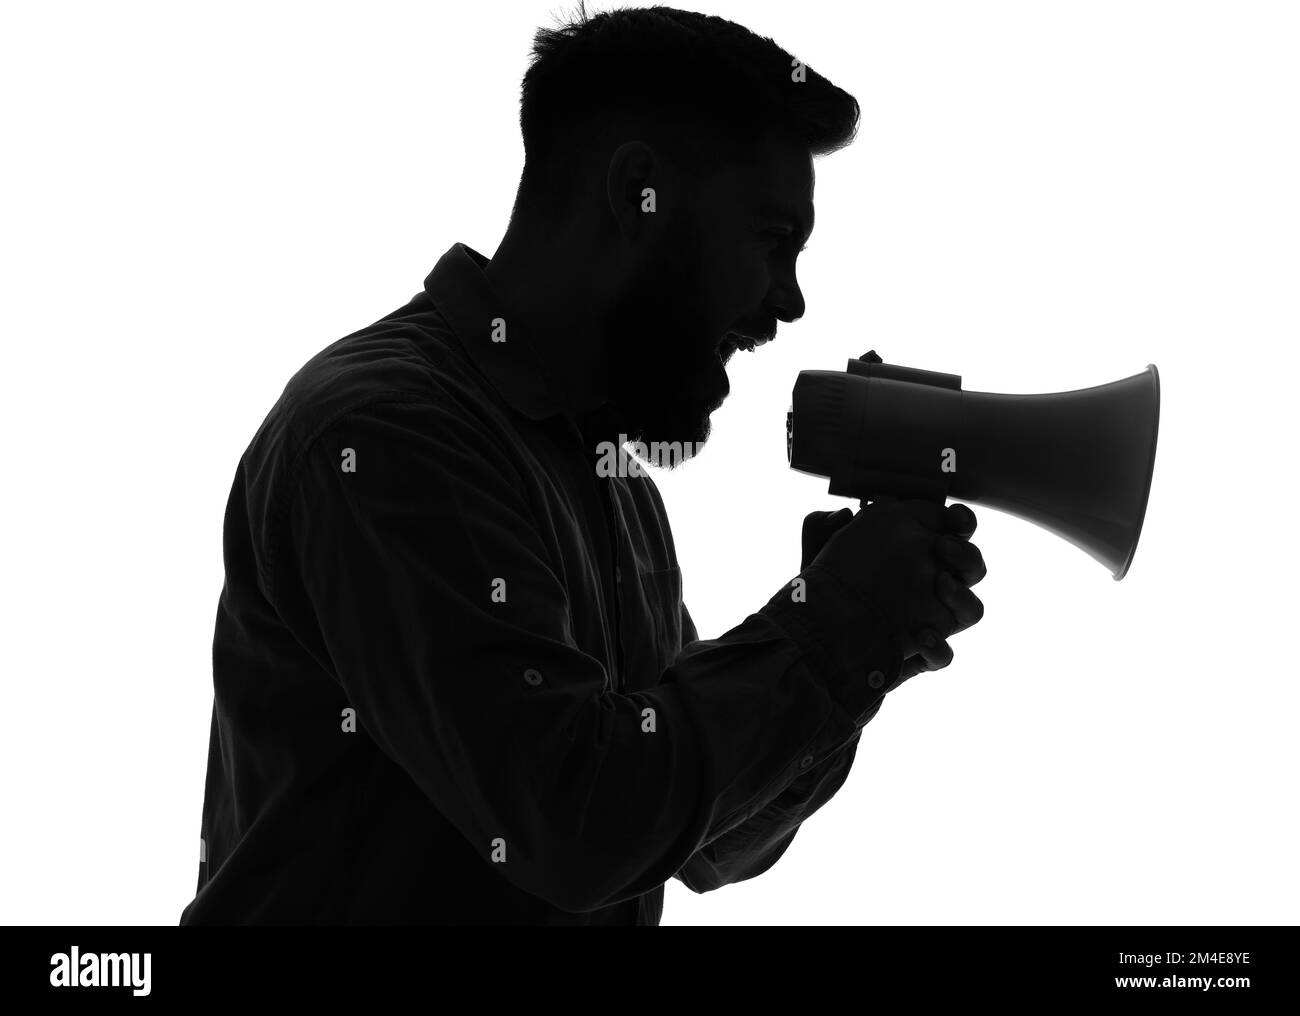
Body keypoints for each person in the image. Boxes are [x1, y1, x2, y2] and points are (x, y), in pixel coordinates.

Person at [180, 4, 986, 926]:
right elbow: (576, 818)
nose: (790, 302)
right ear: (637, 190)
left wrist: (857, 647)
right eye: (771, 240)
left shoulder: (606, 472)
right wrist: (836, 630)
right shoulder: (388, 435)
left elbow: (708, 842)